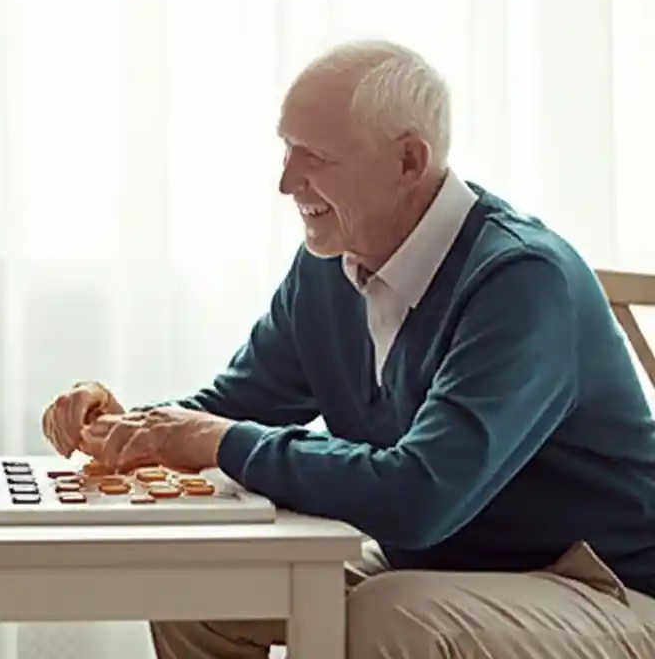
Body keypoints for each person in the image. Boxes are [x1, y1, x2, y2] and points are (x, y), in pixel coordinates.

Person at [42, 39, 655, 657]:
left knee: (386, 617)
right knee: (204, 586)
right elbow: (232, 407)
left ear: (410, 161)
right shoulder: (330, 267)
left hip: (602, 587)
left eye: (315, 157)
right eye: (286, 149)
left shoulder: (521, 281)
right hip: (445, 570)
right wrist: (128, 425)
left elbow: (419, 496)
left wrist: (213, 439)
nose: (285, 181)